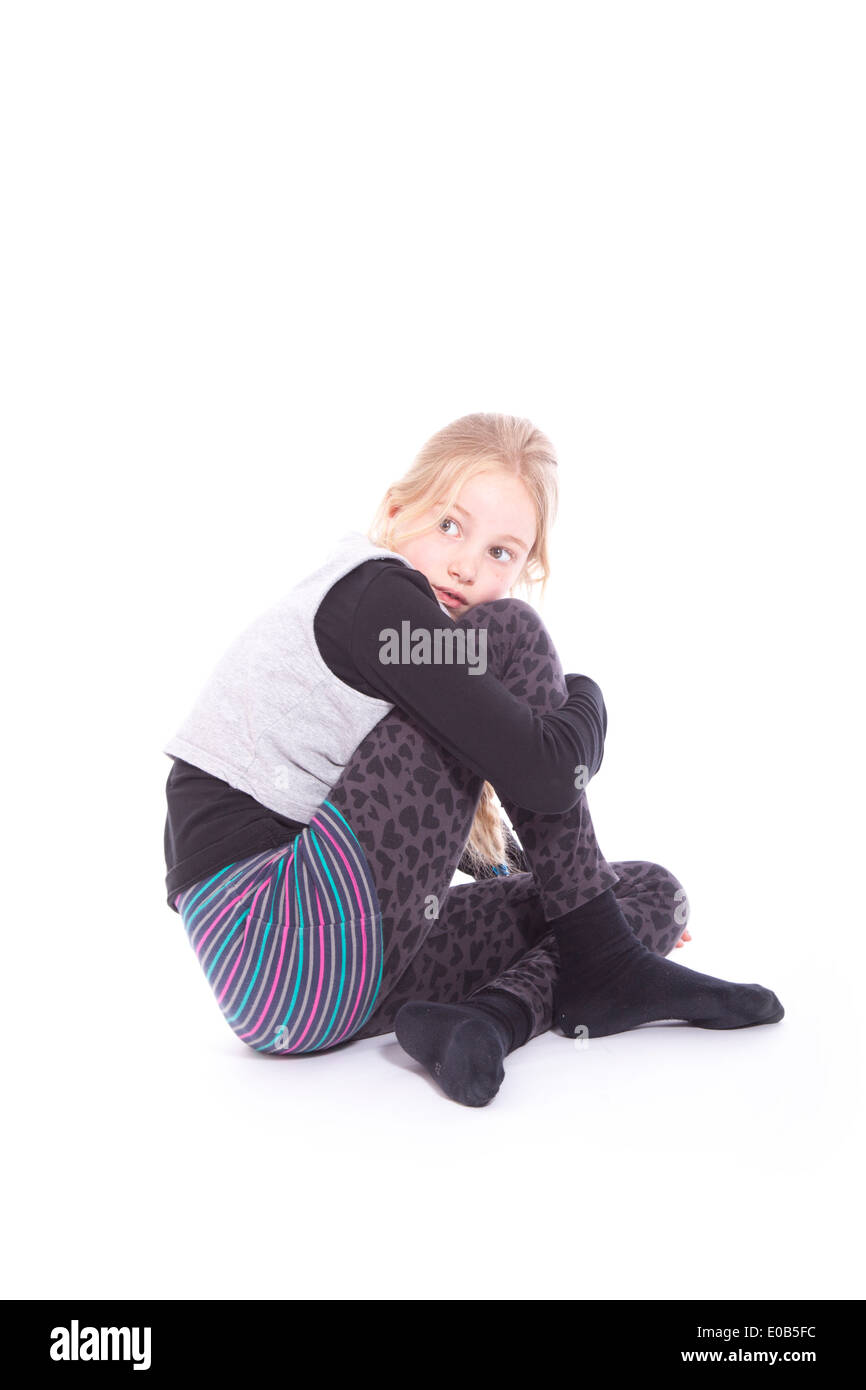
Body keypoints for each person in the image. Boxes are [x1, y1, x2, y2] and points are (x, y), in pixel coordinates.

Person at [162, 412, 783, 1107]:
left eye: (501, 553)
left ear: (526, 565)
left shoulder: (405, 644)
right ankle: (603, 957)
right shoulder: (378, 601)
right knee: (512, 635)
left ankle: (488, 1020)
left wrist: (579, 899)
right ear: (397, 511)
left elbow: (410, 829)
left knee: (649, 892)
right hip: (279, 935)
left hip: (312, 986)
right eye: (450, 526)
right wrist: (588, 699)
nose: (465, 564)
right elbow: (547, 773)